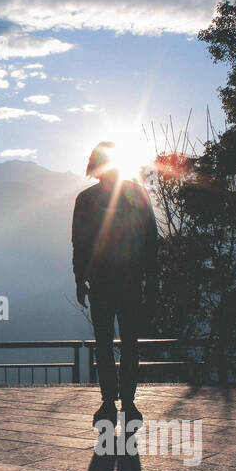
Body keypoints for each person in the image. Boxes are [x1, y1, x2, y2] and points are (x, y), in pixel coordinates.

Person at [72, 142, 158, 430]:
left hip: (106, 282)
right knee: (122, 344)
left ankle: (116, 401)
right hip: (122, 281)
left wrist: (79, 279)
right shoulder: (133, 194)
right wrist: (151, 279)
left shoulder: (87, 199)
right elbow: (149, 241)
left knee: (110, 343)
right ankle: (122, 402)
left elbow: (80, 244)